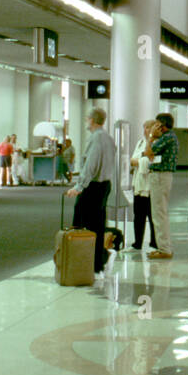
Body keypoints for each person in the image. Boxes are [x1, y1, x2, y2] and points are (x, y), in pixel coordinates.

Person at [65, 108, 116, 276]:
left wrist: (79, 186)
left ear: (92, 120)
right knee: (98, 224)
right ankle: (97, 263)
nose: (86, 121)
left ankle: (83, 261)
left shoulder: (96, 139)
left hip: (93, 186)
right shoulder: (109, 139)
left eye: (87, 118)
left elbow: (91, 165)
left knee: (82, 223)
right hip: (105, 185)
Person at [145, 112, 178, 259]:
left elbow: (148, 152)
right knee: (160, 213)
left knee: (158, 213)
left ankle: (164, 249)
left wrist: (151, 137)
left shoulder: (167, 138)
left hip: (160, 177)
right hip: (162, 177)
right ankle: (164, 246)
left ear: (162, 126)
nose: (153, 127)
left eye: (156, 125)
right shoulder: (168, 137)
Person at [129, 120, 158, 252]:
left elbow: (147, 163)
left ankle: (154, 242)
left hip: (150, 186)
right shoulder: (140, 143)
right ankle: (138, 242)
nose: (145, 130)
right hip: (138, 186)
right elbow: (132, 160)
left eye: (148, 127)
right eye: (144, 127)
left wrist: (139, 161)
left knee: (152, 217)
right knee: (138, 216)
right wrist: (141, 157)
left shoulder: (156, 144)